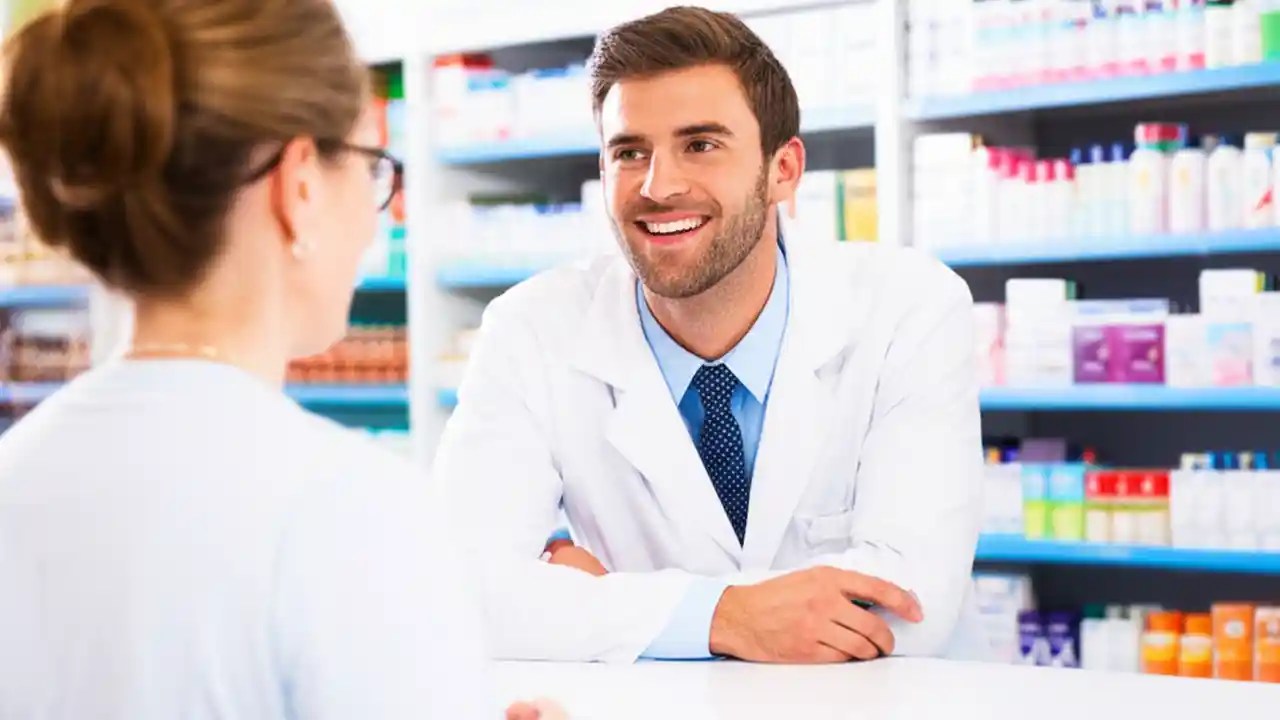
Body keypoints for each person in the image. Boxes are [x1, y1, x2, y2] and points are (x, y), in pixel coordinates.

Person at [0, 1, 552, 718]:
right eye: (371, 164)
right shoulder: (352, 510)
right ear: (299, 184)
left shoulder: (17, 477)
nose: (375, 208)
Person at [434, 6, 984, 665]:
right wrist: (724, 616)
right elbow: (454, 591)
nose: (658, 186)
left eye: (701, 144)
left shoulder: (910, 308)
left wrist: (606, 606)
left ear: (783, 169)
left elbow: (908, 606)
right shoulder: (531, 329)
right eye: (629, 152)